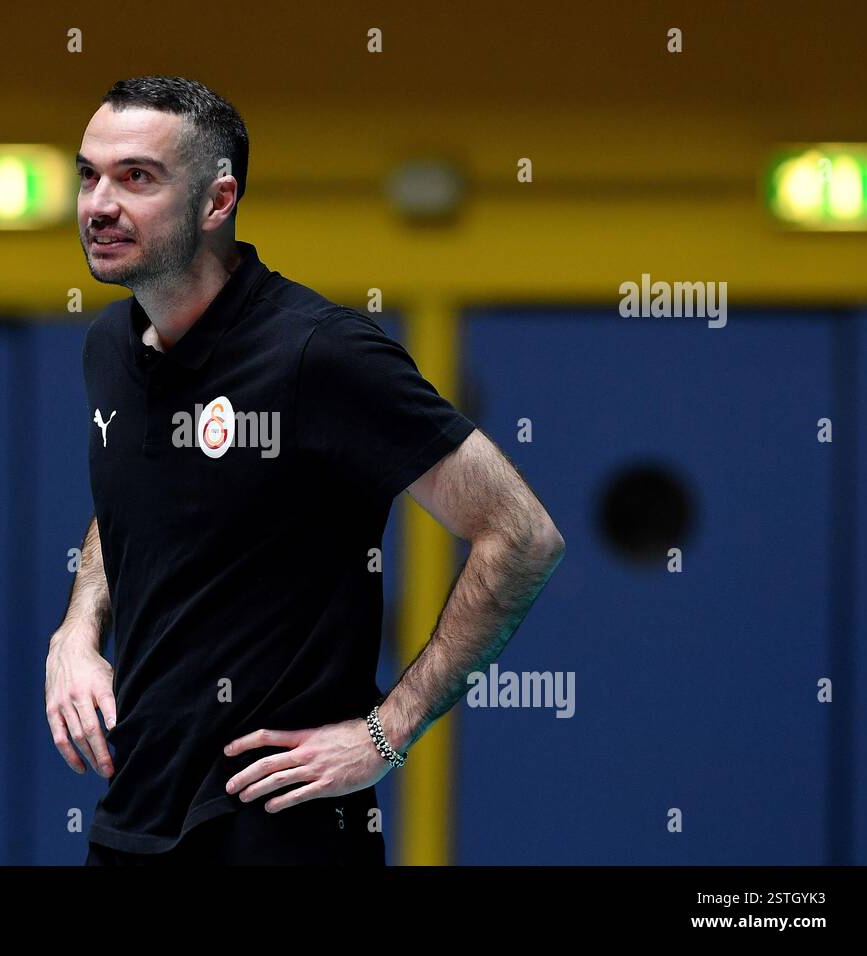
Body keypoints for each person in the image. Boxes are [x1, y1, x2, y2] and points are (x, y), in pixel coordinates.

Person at [45, 75, 565, 865]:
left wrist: (388, 734)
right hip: (134, 817)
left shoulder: (319, 354)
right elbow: (129, 507)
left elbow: (522, 534)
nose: (98, 203)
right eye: (88, 174)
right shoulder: (109, 351)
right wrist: (77, 632)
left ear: (217, 202)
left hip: (279, 823)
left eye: (136, 177)